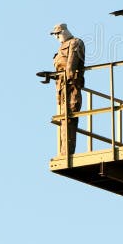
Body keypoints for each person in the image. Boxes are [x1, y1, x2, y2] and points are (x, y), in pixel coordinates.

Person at [50, 23, 86, 157]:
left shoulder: (75, 42)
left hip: (71, 86)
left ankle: (67, 152)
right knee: (63, 120)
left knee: (70, 117)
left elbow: (71, 67)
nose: (57, 37)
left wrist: (66, 77)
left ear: (64, 31)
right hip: (61, 89)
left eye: (58, 34)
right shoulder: (60, 49)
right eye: (55, 35)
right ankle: (63, 151)